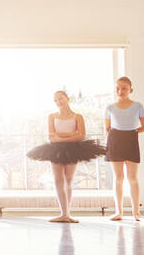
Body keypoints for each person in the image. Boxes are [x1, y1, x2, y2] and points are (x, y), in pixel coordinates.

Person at [26, 90, 107, 223]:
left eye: (61, 99)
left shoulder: (77, 116)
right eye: (56, 100)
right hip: (55, 150)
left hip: (73, 150)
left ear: (67, 98)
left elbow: (81, 135)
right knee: (58, 179)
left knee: (68, 180)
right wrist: (70, 135)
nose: (58, 102)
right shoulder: (52, 116)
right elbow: (51, 136)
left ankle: (67, 214)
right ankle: (63, 213)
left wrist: (62, 136)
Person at [104, 76, 144, 222]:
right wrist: (112, 141)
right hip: (114, 141)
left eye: (124, 88)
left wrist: (131, 133)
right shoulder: (109, 108)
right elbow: (107, 128)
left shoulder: (138, 106)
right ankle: (119, 212)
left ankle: (136, 213)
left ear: (131, 90)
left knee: (132, 178)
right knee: (118, 178)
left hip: (131, 140)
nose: (120, 91)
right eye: (117, 88)